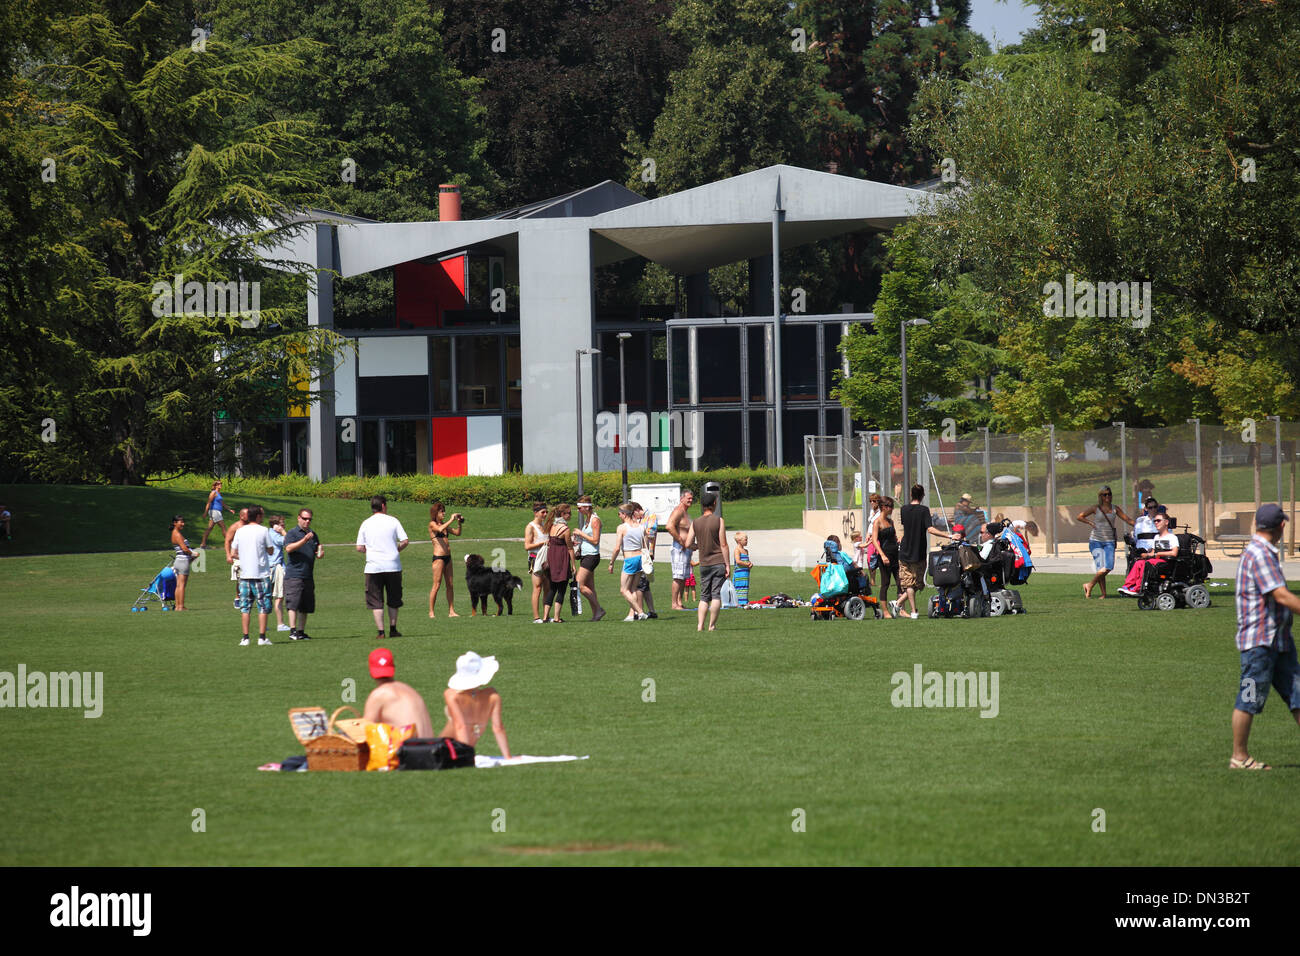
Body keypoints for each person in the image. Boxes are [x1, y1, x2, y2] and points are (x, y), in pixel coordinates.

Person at [1229, 504, 1300, 770]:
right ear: (1281, 526)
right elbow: (1279, 594)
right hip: (1259, 644)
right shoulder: (1260, 554)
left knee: (1298, 694)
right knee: (1249, 698)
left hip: (1279, 641)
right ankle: (1239, 757)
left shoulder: (1261, 551)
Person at [898, 484, 958, 619]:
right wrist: (949, 536)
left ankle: (898, 603)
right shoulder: (924, 510)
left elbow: (906, 527)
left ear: (911, 495)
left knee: (914, 584)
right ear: (923, 495)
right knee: (913, 583)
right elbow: (929, 529)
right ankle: (913, 611)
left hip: (905, 550)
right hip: (917, 551)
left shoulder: (904, 509)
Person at [356, 494, 409, 640]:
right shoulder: (393, 521)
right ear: (383, 505)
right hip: (393, 565)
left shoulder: (366, 523)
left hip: (373, 567)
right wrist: (395, 549)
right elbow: (405, 541)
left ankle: (381, 632)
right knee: (393, 598)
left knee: (376, 599)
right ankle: (393, 629)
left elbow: (359, 547)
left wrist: (370, 551)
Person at [441, 651, 512, 759]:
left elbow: (461, 726)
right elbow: (498, 728)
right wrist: (508, 757)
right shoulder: (493, 696)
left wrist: (464, 757)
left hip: (445, 750)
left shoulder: (452, 696)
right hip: (460, 749)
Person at [363, 647, 434, 739]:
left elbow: (364, 733)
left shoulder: (379, 694)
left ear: (370, 670)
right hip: (431, 749)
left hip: (411, 751)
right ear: (393, 667)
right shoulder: (410, 690)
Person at [1078, 485, 1134, 599]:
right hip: (1095, 541)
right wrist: (1090, 523)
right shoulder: (1096, 508)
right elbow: (1080, 516)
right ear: (1101, 496)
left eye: (1109, 494)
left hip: (1109, 541)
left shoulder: (1115, 509)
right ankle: (1103, 594)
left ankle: (1089, 585)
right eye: (1105, 494)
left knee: (1108, 567)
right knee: (1101, 569)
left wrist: (1141, 524)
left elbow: (1127, 519)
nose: (1108, 496)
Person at [684, 490, 729, 632]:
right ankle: (711, 625)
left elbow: (687, 543)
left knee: (704, 596)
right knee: (716, 595)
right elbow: (723, 544)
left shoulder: (695, 522)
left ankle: (700, 625)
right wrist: (727, 564)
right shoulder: (719, 520)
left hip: (704, 563)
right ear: (714, 504)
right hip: (718, 561)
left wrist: (697, 546)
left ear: (702, 505)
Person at [231, 505, 274, 645]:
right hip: (261, 574)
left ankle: (245, 637)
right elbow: (270, 550)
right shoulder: (263, 530)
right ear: (258, 516)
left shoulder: (240, 531)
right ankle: (262, 637)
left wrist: (244, 557)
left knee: (245, 607)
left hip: (245, 574)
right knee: (263, 606)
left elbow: (233, 553)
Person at [283, 507, 323, 640]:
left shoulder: (313, 534)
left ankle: (301, 631)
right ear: (298, 518)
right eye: (305, 518)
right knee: (293, 604)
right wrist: (304, 540)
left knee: (305, 606)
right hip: (294, 574)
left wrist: (320, 553)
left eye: (309, 519)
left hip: (308, 575)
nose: (307, 521)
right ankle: (292, 631)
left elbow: (317, 549)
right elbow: (288, 548)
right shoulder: (292, 533)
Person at [1117, 510, 1179, 596]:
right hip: (1155, 560)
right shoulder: (1157, 537)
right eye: (1155, 521)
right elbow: (1153, 552)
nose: (1156, 522)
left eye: (1158, 520)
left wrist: (1158, 554)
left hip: (1166, 562)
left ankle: (1138, 588)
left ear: (1166, 522)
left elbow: (1174, 553)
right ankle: (1127, 586)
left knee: (1147, 564)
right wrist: (1146, 555)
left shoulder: (1172, 537)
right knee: (1139, 562)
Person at [608, 502, 648, 621]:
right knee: (633, 589)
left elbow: (617, 548)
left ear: (625, 514)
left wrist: (611, 562)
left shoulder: (622, 528)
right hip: (640, 558)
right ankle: (632, 615)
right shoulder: (641, 526)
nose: (619, 516)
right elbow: (646, 544)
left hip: (630, 559)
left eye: (619, 514)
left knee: (624, 590)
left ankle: (640, 612)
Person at [572, 496, 605, 622]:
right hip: (586, 555)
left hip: (592, 556)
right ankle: (596, 614)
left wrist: (581, 534)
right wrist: (578, 541)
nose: (578, 510)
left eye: (579, 508)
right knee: (590, 587)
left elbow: (595, 540)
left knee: (579, 585)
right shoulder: (587, 519)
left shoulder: (595, 520)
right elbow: (588, 538)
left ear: (586, 507)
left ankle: (599, 609)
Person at [427, 502, 463, 618]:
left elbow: (457, 533)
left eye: (444, 511)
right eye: (441, 511)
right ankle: (431, 612)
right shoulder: (432, 524)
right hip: (438, 558)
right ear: (436, 513)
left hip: (448, 558)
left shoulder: (444, 525)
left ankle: (451, 611)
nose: (444, 513)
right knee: (436, 585)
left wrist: (458, 523)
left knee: (450, 585)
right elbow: (439, 528)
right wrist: (451, 519)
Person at [542, 503, 573, 623]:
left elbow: (554, 542)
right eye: (569, 513)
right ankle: (556, 617)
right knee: (561, 589)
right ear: (562, 514)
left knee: (552, 589)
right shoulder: (565, 529)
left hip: (552, 558)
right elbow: (569, 548)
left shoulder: (551, 526)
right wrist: (573, 566)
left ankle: (545, 616)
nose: (570, 515)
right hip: (562, 559)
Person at [870, 496, 899, 619]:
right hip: (884, 557)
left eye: (893, 506)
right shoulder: (877, 522)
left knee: (900, 582)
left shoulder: (890, 521)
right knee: (885, 583)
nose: (892, 509)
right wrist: (882, 555)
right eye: (890, 507)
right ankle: (885, 611)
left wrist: (898, 540)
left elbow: (894, 537)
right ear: (883, 507)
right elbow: (874, 540)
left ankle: (900, 608)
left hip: (895, 555)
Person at [666, 490, 695, 610]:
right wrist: (680, 541)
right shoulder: (678, 511)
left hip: (686, 549)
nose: (690, 500)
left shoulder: (685, 512)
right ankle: (674, 603)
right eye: (688, 498)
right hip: (679, 548)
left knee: (684, 577)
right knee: (678, 577)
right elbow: (669, 526)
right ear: (681, 498)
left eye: (692, 498)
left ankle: (679, 602)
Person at [169, 515, 200, 611]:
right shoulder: (177, 534)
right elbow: (184, 548)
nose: (183, 524)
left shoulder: (176, 533)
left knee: (179, 585)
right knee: (182, 585)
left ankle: (178, 606)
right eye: (180, 522)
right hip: (182, 561)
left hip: (179, 561)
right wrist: (193, 554)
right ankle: (181, 606)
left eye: (183, 522)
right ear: (175, 523)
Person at [524, 502, 548, 623]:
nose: (545, 514)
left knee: (547, 588)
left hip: (546, 560)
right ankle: (536, 617)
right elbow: (527, 546)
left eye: (546, 512)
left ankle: (546, 616)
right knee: (537, 588)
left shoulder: (545, 525)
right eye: (542, 512)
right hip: (535, 559)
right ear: (535, 513)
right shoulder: (530, 527)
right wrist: (542, 543)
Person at [224, 506, 249, 610]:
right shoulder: (235, 527)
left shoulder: (250, 526)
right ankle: (238, 598)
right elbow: (227, 541)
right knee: (240, 579)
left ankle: (247, 597)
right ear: (241, 516)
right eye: (247, 514)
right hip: (238, 556)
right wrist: (228, 555)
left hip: (249, 556)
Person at [636, 505, 659, 618]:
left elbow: (650, 534)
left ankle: (639, 611)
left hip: (646, 554)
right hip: (643, 554)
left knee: (640, 585)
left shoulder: (651, 517)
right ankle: (652, 611)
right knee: (645, 586)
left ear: (637, 510)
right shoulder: (642, 519)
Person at [267, 515, 289, 632]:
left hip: (267, 568)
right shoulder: (275, 536)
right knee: (279, 597)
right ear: (275, 525)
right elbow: (288, 541)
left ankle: (264, 624)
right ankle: (280, 624)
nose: (283, 526)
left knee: (267, 597)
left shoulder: (267, 533)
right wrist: (283, 531)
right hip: (276, 569)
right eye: (281, 524)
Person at [198, 480, 225, 549]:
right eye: (218, 484)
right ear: (215, 485)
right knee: (223, 527)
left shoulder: (219, 493)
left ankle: (203, 544)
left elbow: (222, 503)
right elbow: (208, 503)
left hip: (217, 512)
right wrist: (205, 513)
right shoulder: (213, 493)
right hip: (215, 512)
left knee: (209, 528)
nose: (220, 485)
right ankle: (229, 544)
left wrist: (229, 509)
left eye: (221, 484)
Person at [733, 532, 752, 606]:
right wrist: (747, 564)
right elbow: (738, 561)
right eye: (745, 540)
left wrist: (750, 564)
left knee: (745, 586)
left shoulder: (746, 551)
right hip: (739, 573)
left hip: (745, 573)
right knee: (739, 586)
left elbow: (747, 561)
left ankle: (744, 600)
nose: (747, 541)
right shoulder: (737, 550)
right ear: (739, 541)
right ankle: (739, 602)